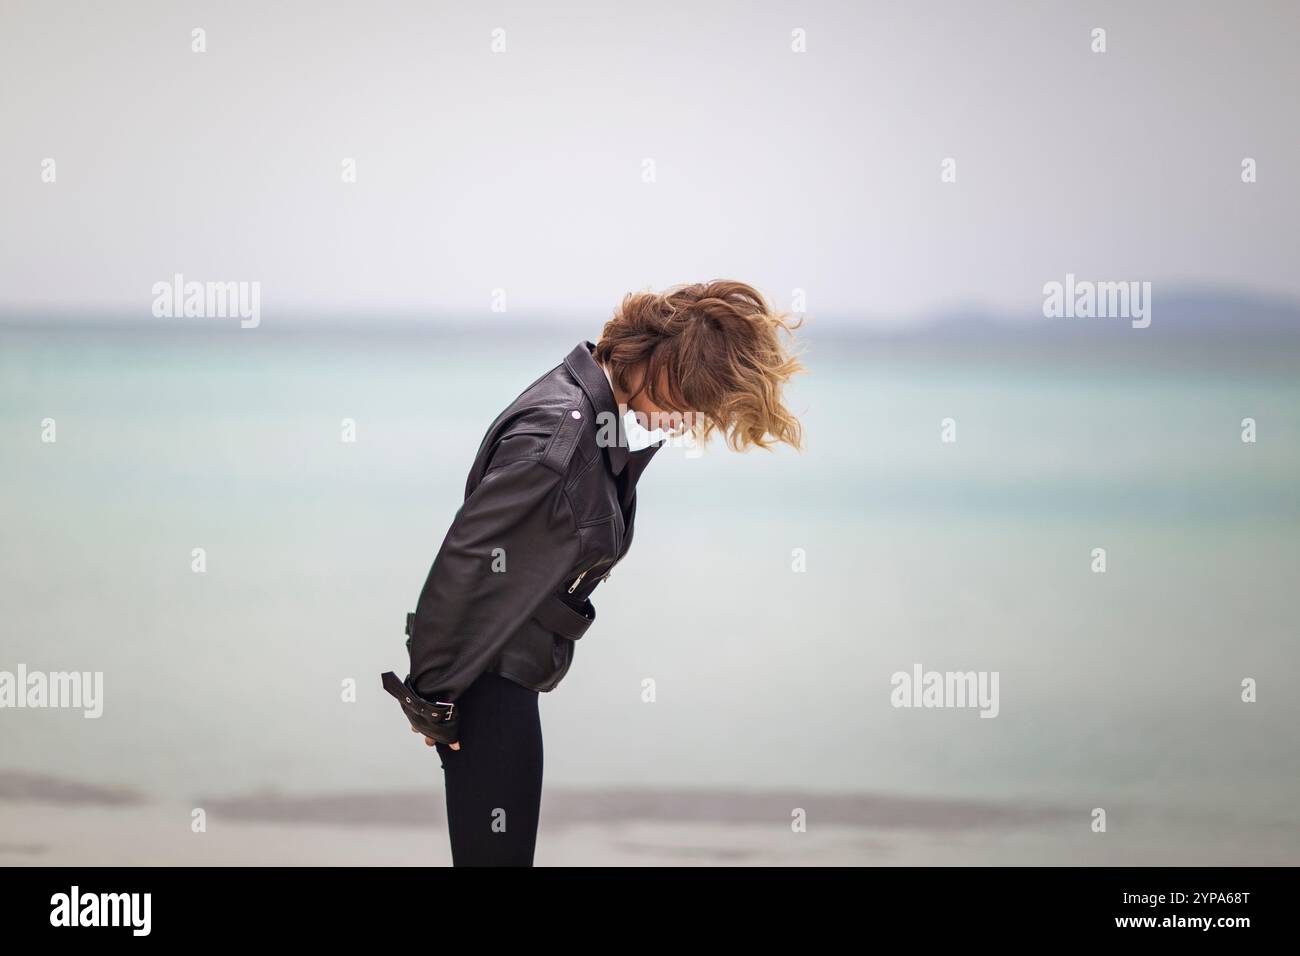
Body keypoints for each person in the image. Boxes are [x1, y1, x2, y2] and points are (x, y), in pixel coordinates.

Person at [382, 279, 805, 865]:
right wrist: (429, 701)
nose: (686, 418)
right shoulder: (560, 442)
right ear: (656, 361)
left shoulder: (583, 412)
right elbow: (463, 566)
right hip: (486, 691)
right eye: (688, 396)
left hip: (497, 684)